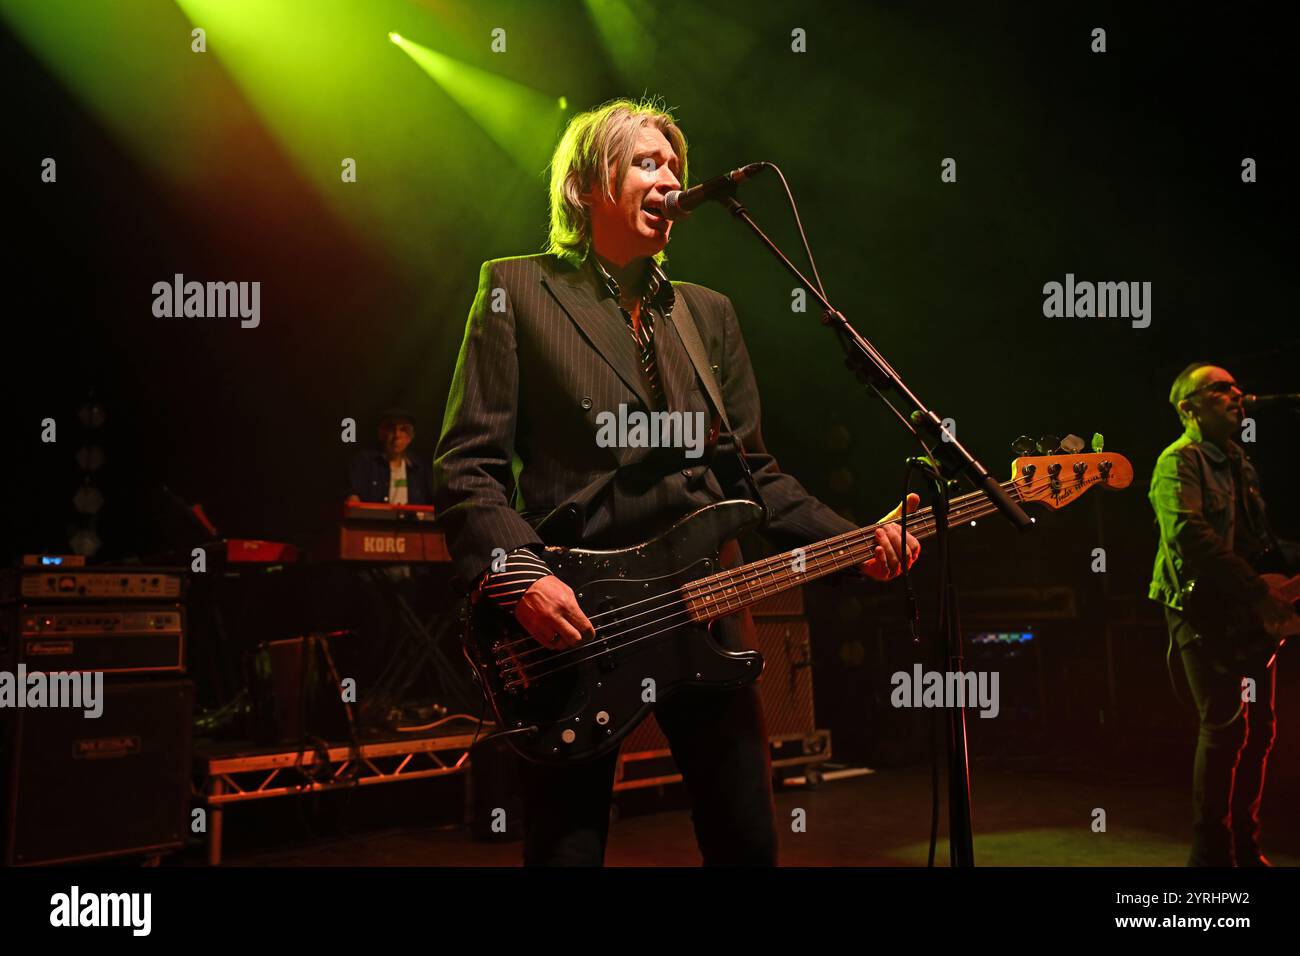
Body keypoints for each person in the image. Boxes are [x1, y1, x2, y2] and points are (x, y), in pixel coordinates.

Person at [433, 97, 919, 866]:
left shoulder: (707, 315)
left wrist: (855, 540)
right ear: (585, 186)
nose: (669, 179)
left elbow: (753, 475)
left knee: (746, 841)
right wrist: (519, 575)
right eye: (646, 162)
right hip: (578, 616)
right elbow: (468, 466)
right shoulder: (516, 290)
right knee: (568, 848)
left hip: (707, 607)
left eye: (675, 167)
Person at [1148, 362, 1295, 867]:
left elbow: (1258, 541)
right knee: (1225, 727)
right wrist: (1257, 591)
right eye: (1221, 388)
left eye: (1236, 387)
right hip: (1201, 611)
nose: (1237, 394)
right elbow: (1190, 538)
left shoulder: (1239, 461)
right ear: (1188, 408)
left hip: (1243, 610)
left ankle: (1246, 847)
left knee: (1261, 730)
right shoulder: (1177, 462)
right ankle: (1209, 857)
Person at [348, 407, 434, 505]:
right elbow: (353, 498)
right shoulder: (365, 462)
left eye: (403, 429)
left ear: (411, 436)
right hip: (375, 520)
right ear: (380, 433)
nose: (397, 435)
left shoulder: (421, 468)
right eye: (390, 428)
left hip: (413, 520)